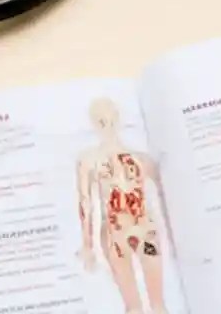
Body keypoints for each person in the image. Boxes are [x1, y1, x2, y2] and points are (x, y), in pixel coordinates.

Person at [76, 98, 169, 314]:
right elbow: (85, 203)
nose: (106, 124)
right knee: (141, 306)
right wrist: (87, 245)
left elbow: (85, 203)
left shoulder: (139, 159)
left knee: (151, 305)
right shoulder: (135, 159)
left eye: (107, 119)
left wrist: (88, 245)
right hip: (122, 232)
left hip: (134, 231)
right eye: (102, 120)